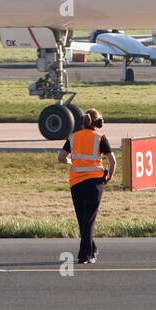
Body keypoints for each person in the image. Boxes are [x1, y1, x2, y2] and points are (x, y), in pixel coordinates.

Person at [58, 108, 116, 264]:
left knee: (83, 219)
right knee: (88, 220)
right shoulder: (100, 138)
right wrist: (109, 175)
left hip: (76, 182)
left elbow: (61, 157)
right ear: (98, 123)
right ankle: (85, 255)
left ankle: (91, 249)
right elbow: (113, 161)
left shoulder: (73, 137)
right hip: (95, 182)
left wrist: (71, 162)